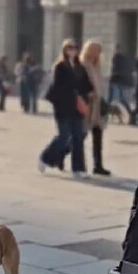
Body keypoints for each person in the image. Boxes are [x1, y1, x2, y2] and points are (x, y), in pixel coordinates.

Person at [38, 39, 91, 178]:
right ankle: (45, 158)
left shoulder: (80, 66)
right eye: (69, 48)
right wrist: (68, 96)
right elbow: (56, 88)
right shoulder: (60, 67)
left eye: (75, 48)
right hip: (63, 107)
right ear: (65, 50)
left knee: (78, 138)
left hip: (76, 108)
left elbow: (86, 85)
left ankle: (78, 169)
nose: (73, 51)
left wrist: (87, 96)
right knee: (63, 136)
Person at [79, 40, 112, 176]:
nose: (96, 54)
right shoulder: (82, 66)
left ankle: (98, 165)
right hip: (86, 106)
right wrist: (87, 93)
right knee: (79, 136)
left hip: (97, 108)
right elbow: (78, 85)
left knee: (98, 136)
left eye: (98, 51)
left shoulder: (97, 67)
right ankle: (64, 157)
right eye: (93, 51)